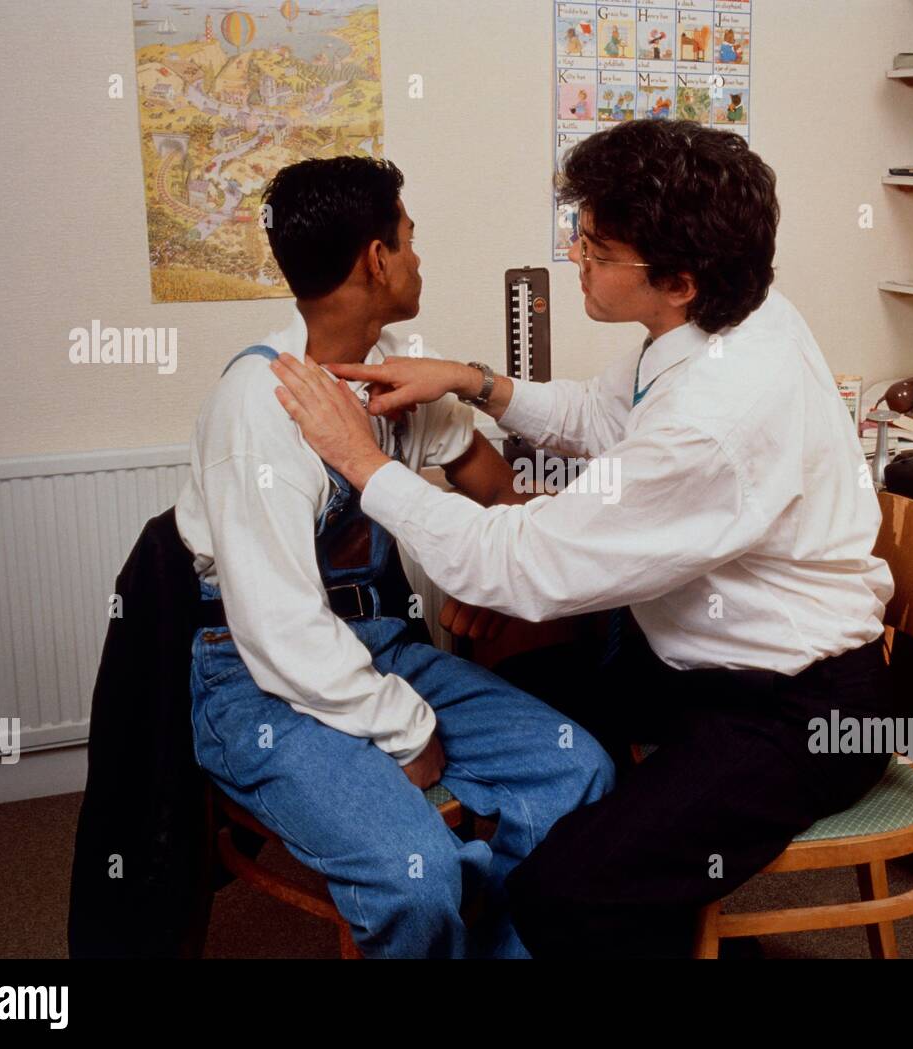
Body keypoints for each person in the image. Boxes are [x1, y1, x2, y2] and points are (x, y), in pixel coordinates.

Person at [270, 121, 902, 958]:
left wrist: (361, 462)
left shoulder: (718, 419)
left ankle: (572, 907)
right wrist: (473, 382)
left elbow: (518, 562)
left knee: (567, 892)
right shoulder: (729, 314)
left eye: (597, 248)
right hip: (695, 659)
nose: (577, 256)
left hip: (795, 709)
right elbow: (604, 418)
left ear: (677, 279)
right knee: (523, 699)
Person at [175, 155, 613, 959]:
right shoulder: (257, 410)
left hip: (379, 648)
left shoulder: (396, 371)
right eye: (408, 241)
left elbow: (494, 489)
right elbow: (278, 630)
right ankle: (458, 887)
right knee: (416, 881)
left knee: (577, 771)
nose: (418, 258)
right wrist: (407, 731)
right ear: (376, 260)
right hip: (256, 678)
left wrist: (503, 574)